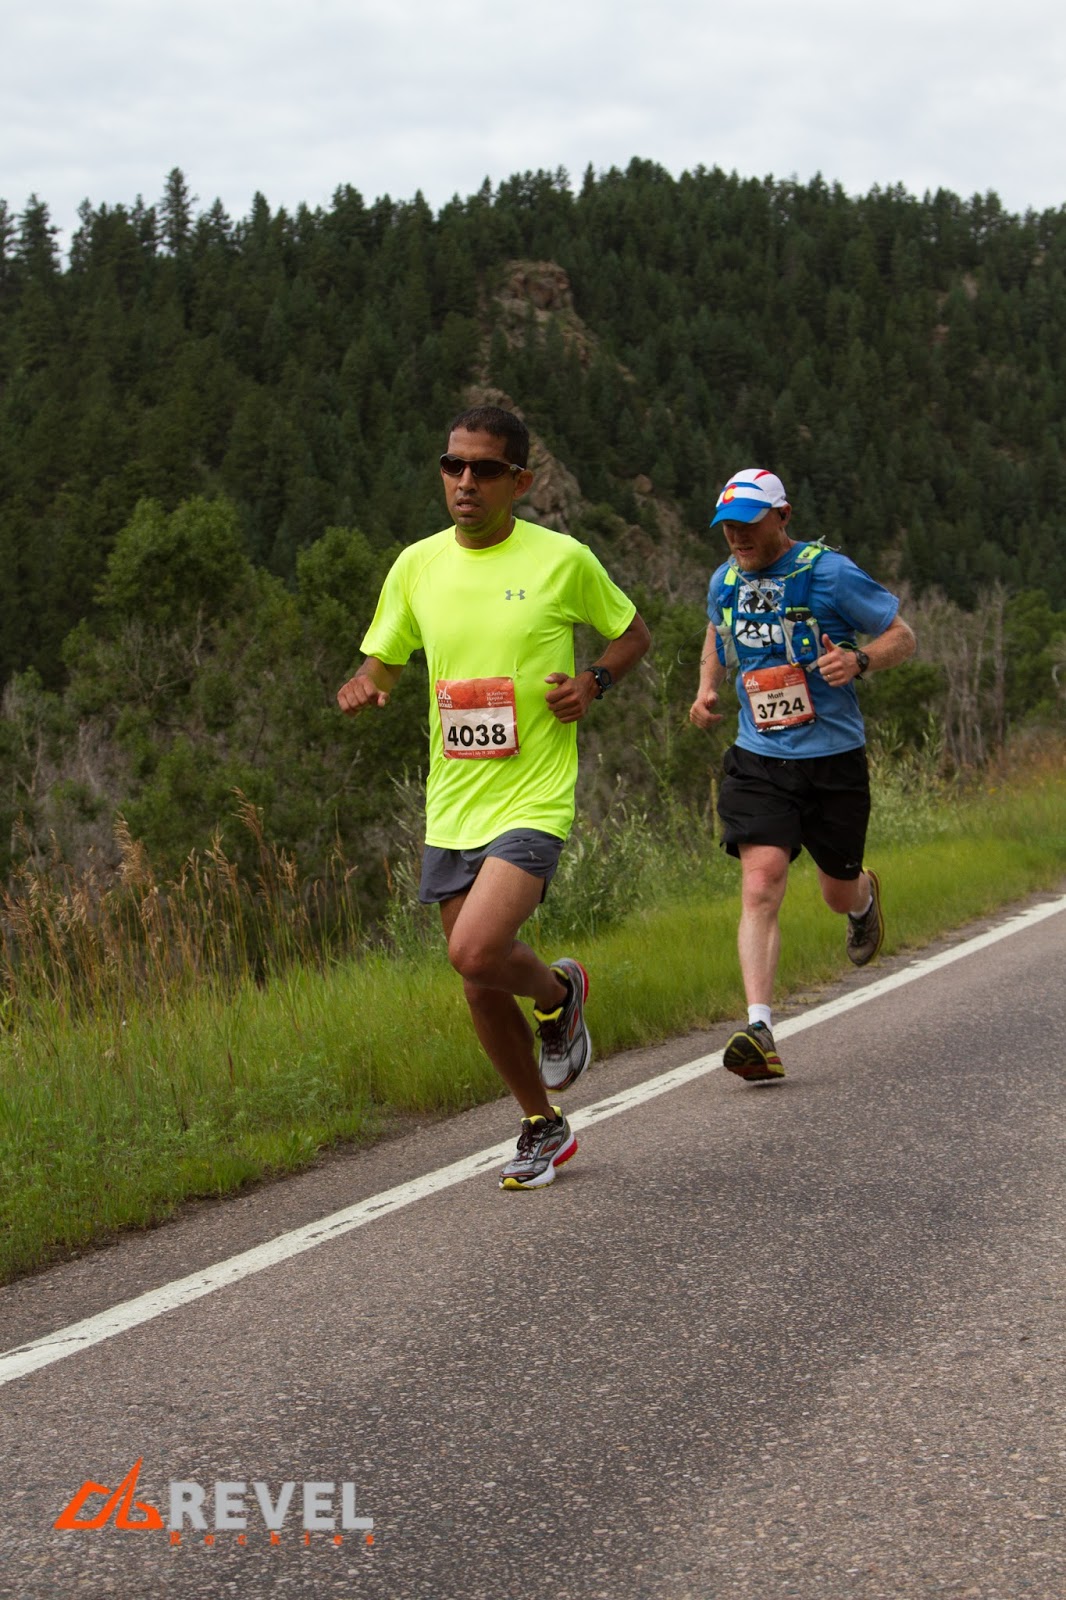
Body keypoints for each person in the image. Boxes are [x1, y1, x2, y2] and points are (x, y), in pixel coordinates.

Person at [338, 405, 650, 1185]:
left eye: (483, 469)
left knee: (473, 948)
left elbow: (632, 633)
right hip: (454, 802)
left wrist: (593, 680)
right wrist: (366, 686)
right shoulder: (416, 565)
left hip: (533, 797)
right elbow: (386, 660)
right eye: (453, 466)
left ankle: (558, 992)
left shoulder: (562, 559)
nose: (464, 482)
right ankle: (542, 1123)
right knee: (477, 980)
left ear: (520, 482)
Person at [688, 467, 915, 1083]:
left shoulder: (829, 573)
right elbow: (717, 629)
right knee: (761, 880)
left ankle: (862, 896)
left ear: (781, 517)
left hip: (833, 759)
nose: (736, 536)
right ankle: (759, 1028)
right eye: (727, 527)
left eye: (749, 524)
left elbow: (903, 635)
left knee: (835, 891)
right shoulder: (727, 579)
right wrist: (708, 687)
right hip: (759, 757)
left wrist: (861, 659)